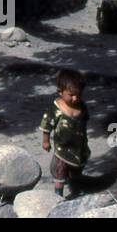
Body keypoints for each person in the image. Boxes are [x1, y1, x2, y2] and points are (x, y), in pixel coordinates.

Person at [40, 68, 89, 199]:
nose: (75, 98)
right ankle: (58, 194)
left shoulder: (82, 106)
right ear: (60, 92)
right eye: (71, 95)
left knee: (77, 167)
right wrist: (46, 141)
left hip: (79, 146)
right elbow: (46, 126)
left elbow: (84, 121)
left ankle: (76, 183)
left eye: (79, 95)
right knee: (59, 169)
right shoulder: (56, 109)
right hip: (62, 147)